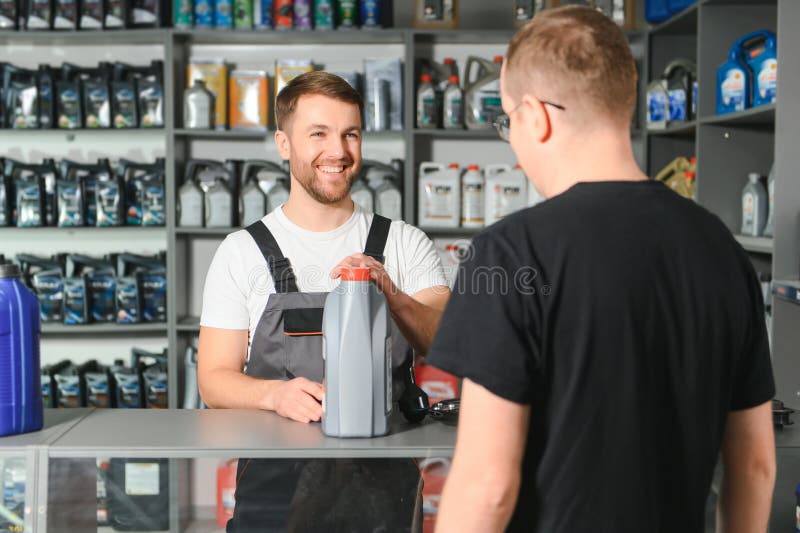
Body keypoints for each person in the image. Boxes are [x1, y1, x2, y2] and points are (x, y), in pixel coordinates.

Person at [426, 6, 776, 533]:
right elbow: (753, 464)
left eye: (507, 123)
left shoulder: (509, 252)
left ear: (536, 116)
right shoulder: (720, 248)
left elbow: (487, 486)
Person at [197, 71, 450, 531]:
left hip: (382, 492)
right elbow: (213, 382)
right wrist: (275, 394)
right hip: (274, 492)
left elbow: (446, 341)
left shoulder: (404, 243)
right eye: (318, 133)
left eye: (350, 134)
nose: (338, 151)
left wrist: (392, 296)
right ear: (283, 143)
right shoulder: (242, 251)